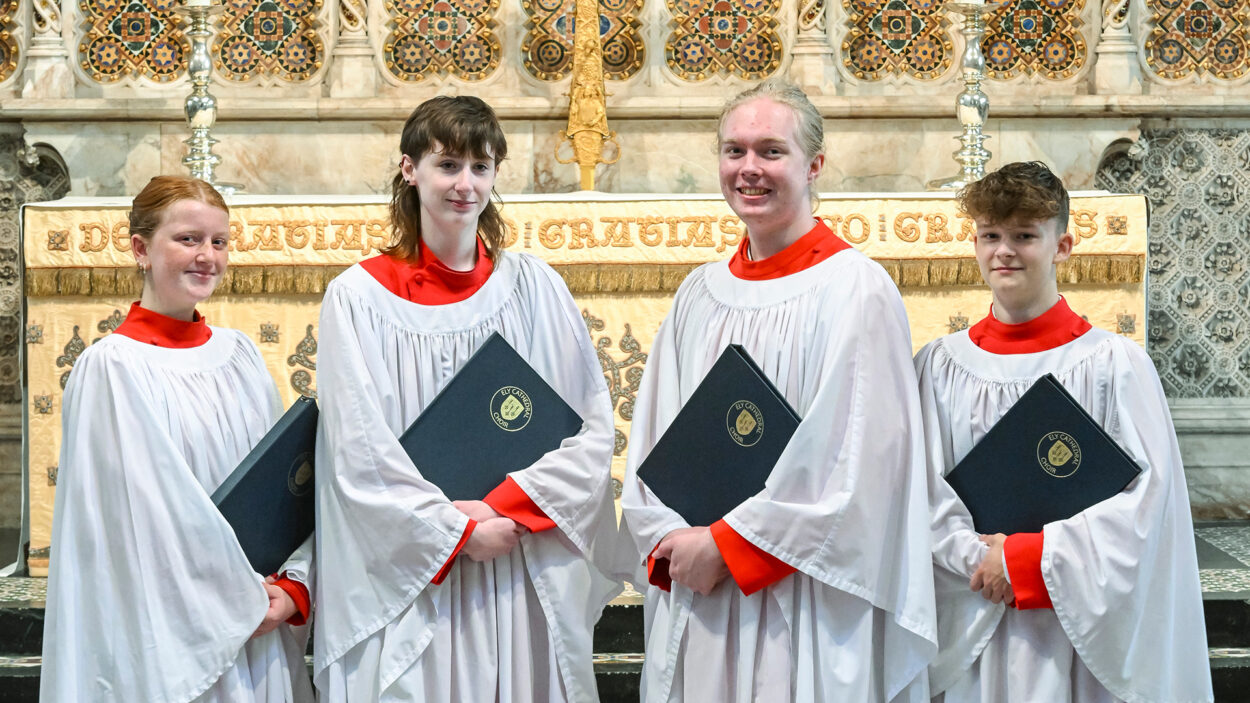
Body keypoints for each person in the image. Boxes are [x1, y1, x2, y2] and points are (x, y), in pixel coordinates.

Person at [619, 79, 937, 702]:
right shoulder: (699, 294)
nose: (749, 169)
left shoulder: (855, 289)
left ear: (814, 165)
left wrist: (732, 546)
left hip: (803, 597)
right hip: (704, 591)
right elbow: (653, 446)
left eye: (770, 151)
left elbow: (861, 465)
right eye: (733, 151)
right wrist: (669, 540)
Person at [312, 95, 621, 702]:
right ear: (410, 170)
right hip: (420, 570)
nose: (465, 184)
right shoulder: (358, 299)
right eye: (448, 165)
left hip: (518, 550)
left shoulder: (534, 288)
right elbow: (358, 451)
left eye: (481, 168)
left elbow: (590, 425)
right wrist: (452, 532)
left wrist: (505, 508)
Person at [918, 161, 1213, 702]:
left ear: (1063, 246)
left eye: (1025, 236)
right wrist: (978, 559)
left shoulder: (1113, 364)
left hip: (1075, 625)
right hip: (972, 602)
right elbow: (919, 488)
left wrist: (1028, 559)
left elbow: (1148, 503)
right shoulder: (938, 366)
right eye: (991, 236)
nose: (1004, 251)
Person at [41, 176, 315, 702]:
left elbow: (283, 488)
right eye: (188, 239)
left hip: (259, 615)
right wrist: (239, 599)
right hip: (168, 632)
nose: (207, 256)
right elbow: (144, 523)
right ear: (141, 248)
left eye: (219, 241)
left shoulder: (240, 357)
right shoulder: (112, 368)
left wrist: (290, 586)